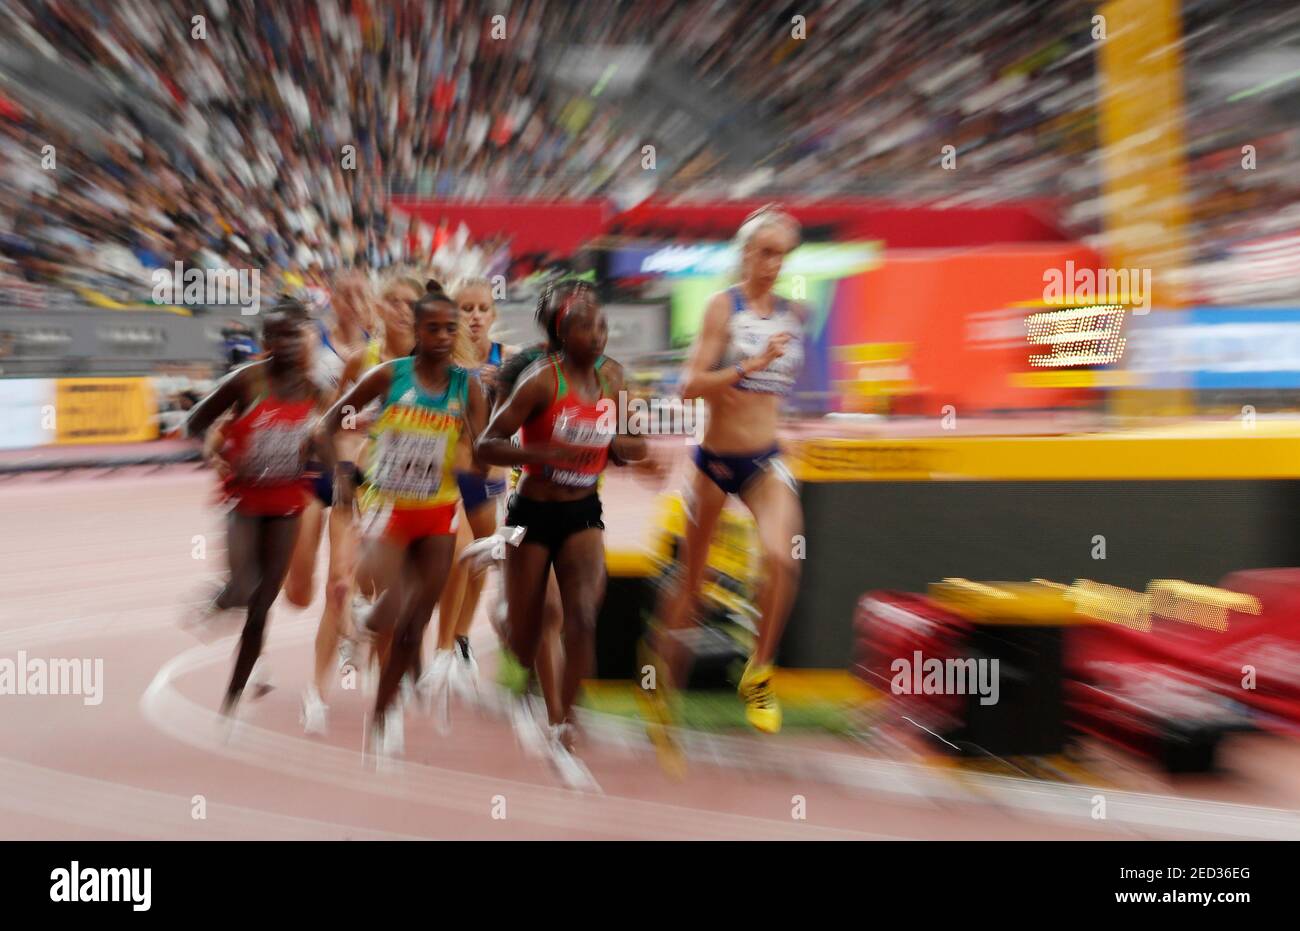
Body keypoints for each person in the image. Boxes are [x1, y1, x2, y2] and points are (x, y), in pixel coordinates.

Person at [476, 281, 646, 789]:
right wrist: (543, 455)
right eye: (584, 325)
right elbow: (488, 444)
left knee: (582, 618)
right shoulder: (539, 382)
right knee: (526, 641)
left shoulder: (614, 378)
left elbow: (637, 447)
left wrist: (618, 442)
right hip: (531, 513)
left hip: (582, 514)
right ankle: (505, 614)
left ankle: (564, 724)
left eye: (602, 325)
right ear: (560, 332)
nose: (597, 335)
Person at [314, 281, 487, 761]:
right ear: (417, 329)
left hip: (437, 514)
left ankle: (384, 717)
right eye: (433, 328)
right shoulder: (390, 376)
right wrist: (343, 476)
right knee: (396, 600)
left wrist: (478, 462)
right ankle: (372, 621)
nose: (444, 336)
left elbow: (484, 448)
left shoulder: (466, 385)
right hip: (389, 512)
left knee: (415, 623)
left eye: (451, 328)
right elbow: (327, 424)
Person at [650, 205, 806, 735]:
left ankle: (759, 672)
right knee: (692, 583)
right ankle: (662, 690)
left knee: (782, 559)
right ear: (745, 254)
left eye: (781, 254)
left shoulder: (792, 313)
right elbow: (689, 385)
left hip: (764, 459)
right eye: (764, 252)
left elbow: (777, 392)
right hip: (714, 461)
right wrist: (749, 367)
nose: (773, 263)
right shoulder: (723, 307)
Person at [184, 298, 326, 719]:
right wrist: (218, 450)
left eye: (293, 334)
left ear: (304, 338)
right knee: (245, 589)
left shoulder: (316, 389)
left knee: (262, 608)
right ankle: (221, 598)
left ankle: (232, 699)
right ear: (265, 341)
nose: (285, 343)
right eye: (276, 334)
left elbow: (332, 438)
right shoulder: (247, 381)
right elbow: (195, 419)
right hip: (244, 503)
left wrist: (336, 471)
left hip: (286, 506)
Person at [300, 273, 422, 734]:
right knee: (337, 587)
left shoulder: (432, 369)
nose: (400, 311)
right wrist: (345, 466)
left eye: (410, 304)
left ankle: (385, 705)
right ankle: (316, 692)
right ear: (381, 307)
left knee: (385, 599)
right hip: (358, 490)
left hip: (407, 498)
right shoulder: (360, 363)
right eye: (392, 301)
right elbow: (329, 426)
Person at [423, 275, 520, 710]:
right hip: (450, 473)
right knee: (461, 551)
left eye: (483, 308)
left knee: (480, 557)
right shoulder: (441, 359)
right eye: (466, 309)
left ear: (493, 314)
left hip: (493, 476)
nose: (475, 317)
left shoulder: (511, 359)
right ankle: (443, 649)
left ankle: (460, 639)